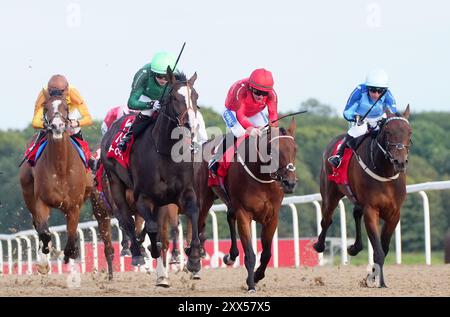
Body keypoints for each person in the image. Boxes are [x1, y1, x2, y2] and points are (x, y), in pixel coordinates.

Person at [208, 68, 278, 176]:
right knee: (239, 132)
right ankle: (216, 157)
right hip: (233, 111)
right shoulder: (240, 90)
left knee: (266, 132)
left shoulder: (272, 95)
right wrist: (250, 128)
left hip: (254, 113)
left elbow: (273, 116)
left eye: (264, 93)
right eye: (257, 92)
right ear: (250, 87)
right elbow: (241, 116)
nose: (260, 96)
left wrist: (274, 132)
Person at [327, 69, 397, 168]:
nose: (376, 94)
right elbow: (347, 111)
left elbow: (392, 111)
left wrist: (387, 118)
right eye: (373, 90)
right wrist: (355, 117)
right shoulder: (359, 91)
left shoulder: (388, 94)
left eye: (379, 91)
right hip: (361, 119)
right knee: (356, 131)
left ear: (384, 90)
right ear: (367, 88)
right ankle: (338, 155)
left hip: (380, 118)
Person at [117, 51, 177, 151]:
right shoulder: (143, 74)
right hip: (147, 97)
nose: (163, 80)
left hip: (166, 100)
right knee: (147, 112)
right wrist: (151, 104)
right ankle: (128, 137)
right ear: (153, 72)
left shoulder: (176, 76)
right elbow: (131, 102)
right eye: (159, 76)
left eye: (166, 77)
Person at [31, 74, 93, 146]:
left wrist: (76, 123)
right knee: (39, 139)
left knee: (76, 131)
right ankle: (30, 154)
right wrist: (45, 125)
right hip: (51, 116)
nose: (57, 96)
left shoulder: (73, 93)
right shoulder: (43, 94)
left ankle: (87, 155)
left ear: (66, 89)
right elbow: (35, 122)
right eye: (53, 93)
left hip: (70, 114)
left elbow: (89, 119)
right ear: (48, 90)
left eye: (60, 92)